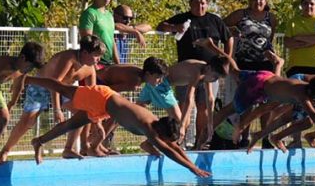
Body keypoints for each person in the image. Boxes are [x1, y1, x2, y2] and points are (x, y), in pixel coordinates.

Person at [24, 76, 211, 178]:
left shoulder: (158, 126)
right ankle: (29, 79)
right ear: (161, 133)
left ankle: (39, 141)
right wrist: (192, 169)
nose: (164, 141)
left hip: (105, 110)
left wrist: (193, 164)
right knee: (64, 89)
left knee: (70, 125)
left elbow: (174, 146)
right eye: (165, 138)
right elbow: (168, 151)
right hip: (102, 98)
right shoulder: (149, 127)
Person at [0, 35, 106, 163]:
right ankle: (5, 151)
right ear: (85, 53)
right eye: (96, 56)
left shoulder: (90, 69)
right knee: (28, 122)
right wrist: (57, 109)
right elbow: (54, 83)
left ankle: (68, 149)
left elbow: (90, 98)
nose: (99, 60)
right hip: (42, 85)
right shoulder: (68, 58)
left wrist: (97, 122)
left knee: (82, 113)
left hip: (62, 89)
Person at [156, 0, 232, 148]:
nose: (200, 5)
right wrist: (175, 27)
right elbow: (160, 26)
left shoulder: (214, 20)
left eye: (203, 2)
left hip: (209, 68)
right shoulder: (183, 19)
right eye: (197, 2)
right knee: (184, 106)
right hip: (169, 81)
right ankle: (178, 138)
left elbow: (211, 100)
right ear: (190, 3)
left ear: (208, 4)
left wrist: (211, 124)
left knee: (204, 105)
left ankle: (199, 141)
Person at [224, 0, 278, 72]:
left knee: (265, 84)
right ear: (250, 1)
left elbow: (271, 38)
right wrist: (231, 31)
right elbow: (221, 25)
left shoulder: (271, 17)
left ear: (265, 1)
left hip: (266, 61)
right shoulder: (241, 14)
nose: (257, 1)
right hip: (244, 61)